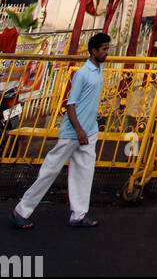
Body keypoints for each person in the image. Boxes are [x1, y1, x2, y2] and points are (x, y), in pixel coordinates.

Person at [9, 32, 110, 230]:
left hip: (89, 130)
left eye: (107, 49)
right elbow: (70, 105)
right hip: (74, 131)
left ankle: (79, 214)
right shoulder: (82, 74)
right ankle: (21, 210)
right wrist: (79, 130)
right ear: (94, 51)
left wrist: (88, 129)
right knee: (50, 170)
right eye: (104, 49)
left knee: (85, 172)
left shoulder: (98, 70)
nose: (107, 53)